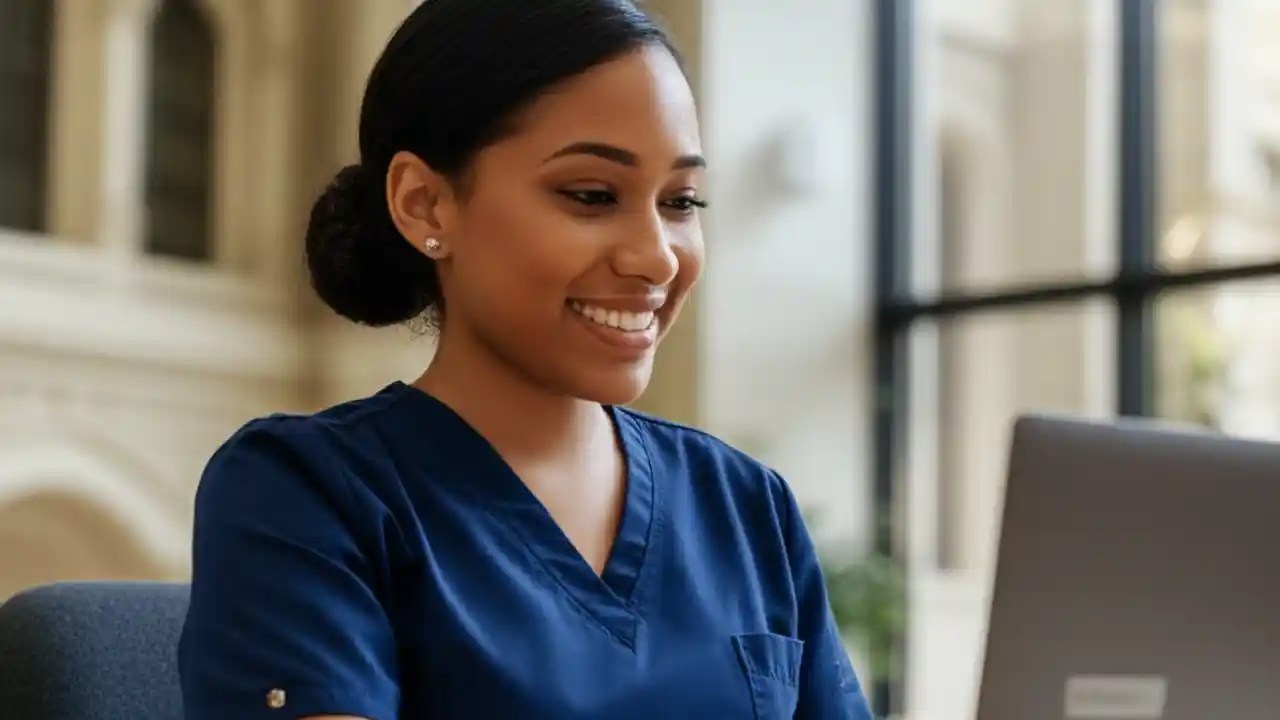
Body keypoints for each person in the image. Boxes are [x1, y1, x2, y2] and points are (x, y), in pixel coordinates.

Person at [177, 0, 871, 718]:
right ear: (425, 205)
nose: (656, 256)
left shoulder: (749, 510)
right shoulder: (305, 494)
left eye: (681, 201)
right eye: (592, 195)